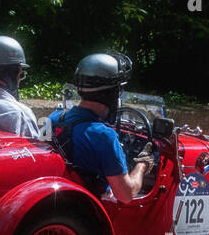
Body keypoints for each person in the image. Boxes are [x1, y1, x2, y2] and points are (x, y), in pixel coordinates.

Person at [49, 52, 153, 202]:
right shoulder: (104, 136)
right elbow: (126, 195)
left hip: (61, 201)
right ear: (112, 92)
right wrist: (142, 165)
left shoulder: (54, 118)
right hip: (91, 209)